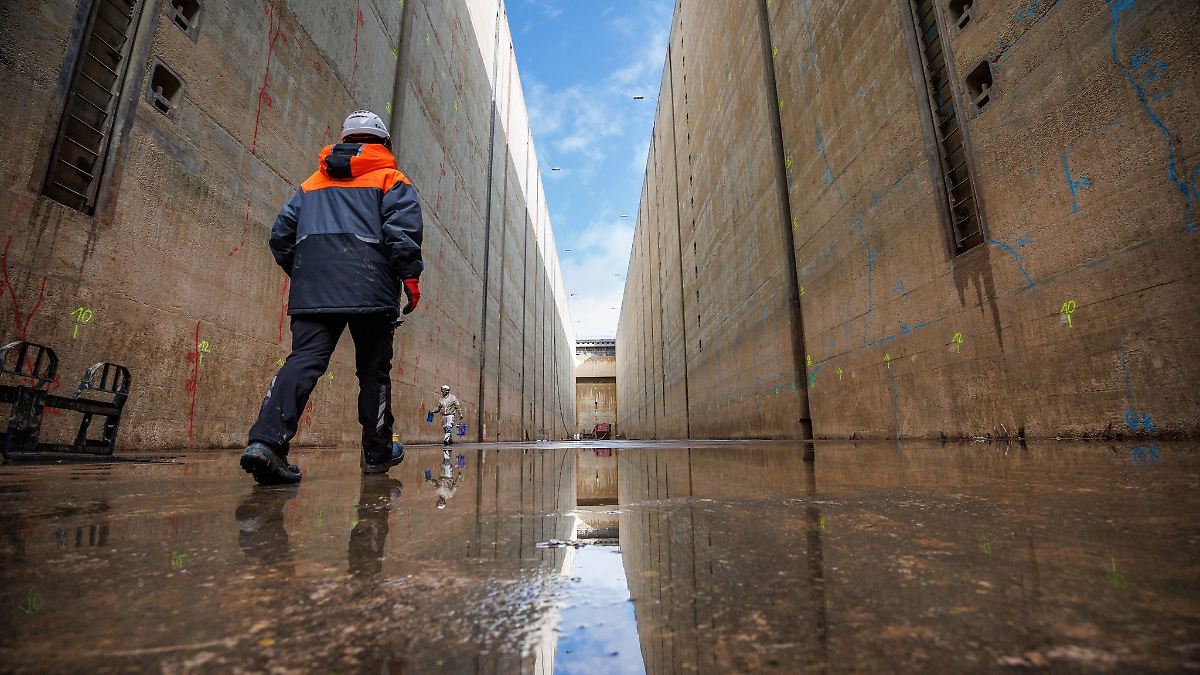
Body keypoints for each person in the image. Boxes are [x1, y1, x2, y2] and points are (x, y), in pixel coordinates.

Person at [240, 110, 423, 485]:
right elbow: (402, 232)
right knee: (374, 374)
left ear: (344, 140)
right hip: (370, 288)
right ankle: (377, 454)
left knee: (304, 360)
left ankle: (266, 444)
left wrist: (308, 273)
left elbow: (280, 236)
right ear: (384, 144)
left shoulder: (310, 184)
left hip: (314, 290)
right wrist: (411, 277)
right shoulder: (392, 178)